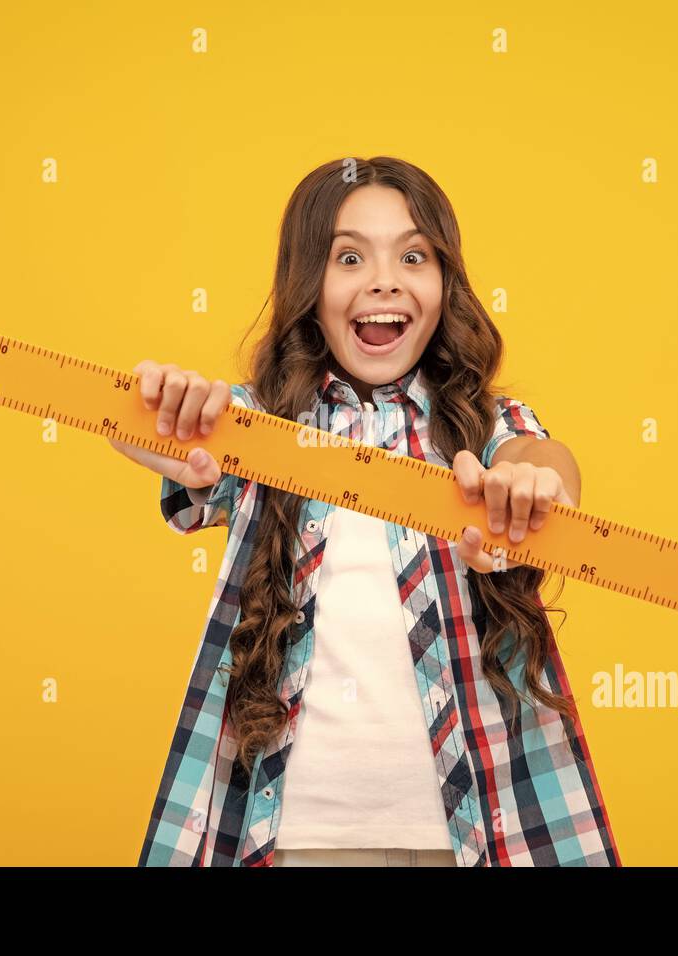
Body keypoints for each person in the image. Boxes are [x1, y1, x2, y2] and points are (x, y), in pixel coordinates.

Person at [110, 156, 621, 867]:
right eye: (349, 256)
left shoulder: (481, 427)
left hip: (478, 835)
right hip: (293, 838)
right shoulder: (259, 425)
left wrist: (531, 483)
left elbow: (543, 458)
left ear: (446, 285)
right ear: (308, 290)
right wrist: (157, 409)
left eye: (414, 255)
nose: (384, 279)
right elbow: (146, 433)